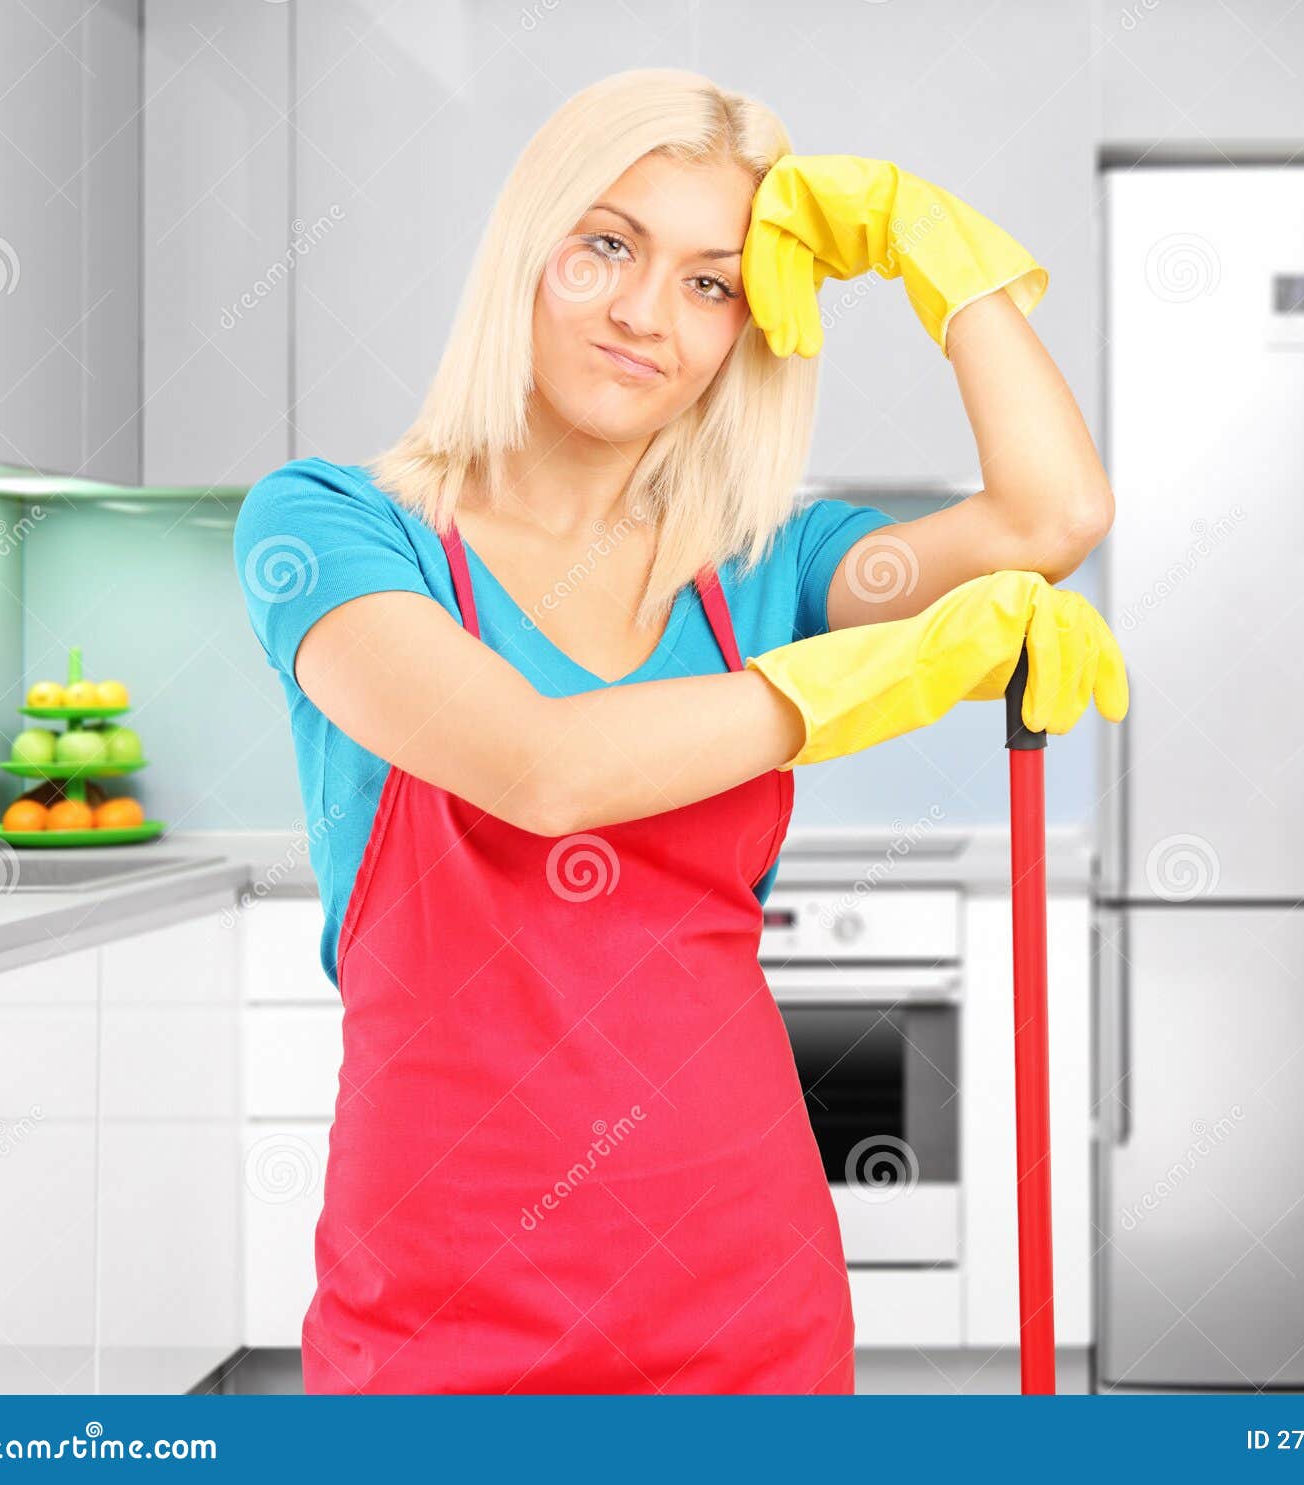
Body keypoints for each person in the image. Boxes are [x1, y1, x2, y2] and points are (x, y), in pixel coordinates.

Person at [232, 66, 1126, 1396]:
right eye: (607, 245)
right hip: (445, 1301)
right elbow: (543, 769)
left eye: (714, 280)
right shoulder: (335, 526)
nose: (650, 312)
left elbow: (1055, 516)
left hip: (745, 1293)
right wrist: (857, 683)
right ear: (527, 250)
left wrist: (934, 248)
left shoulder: (765, 565)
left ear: (750, 325)